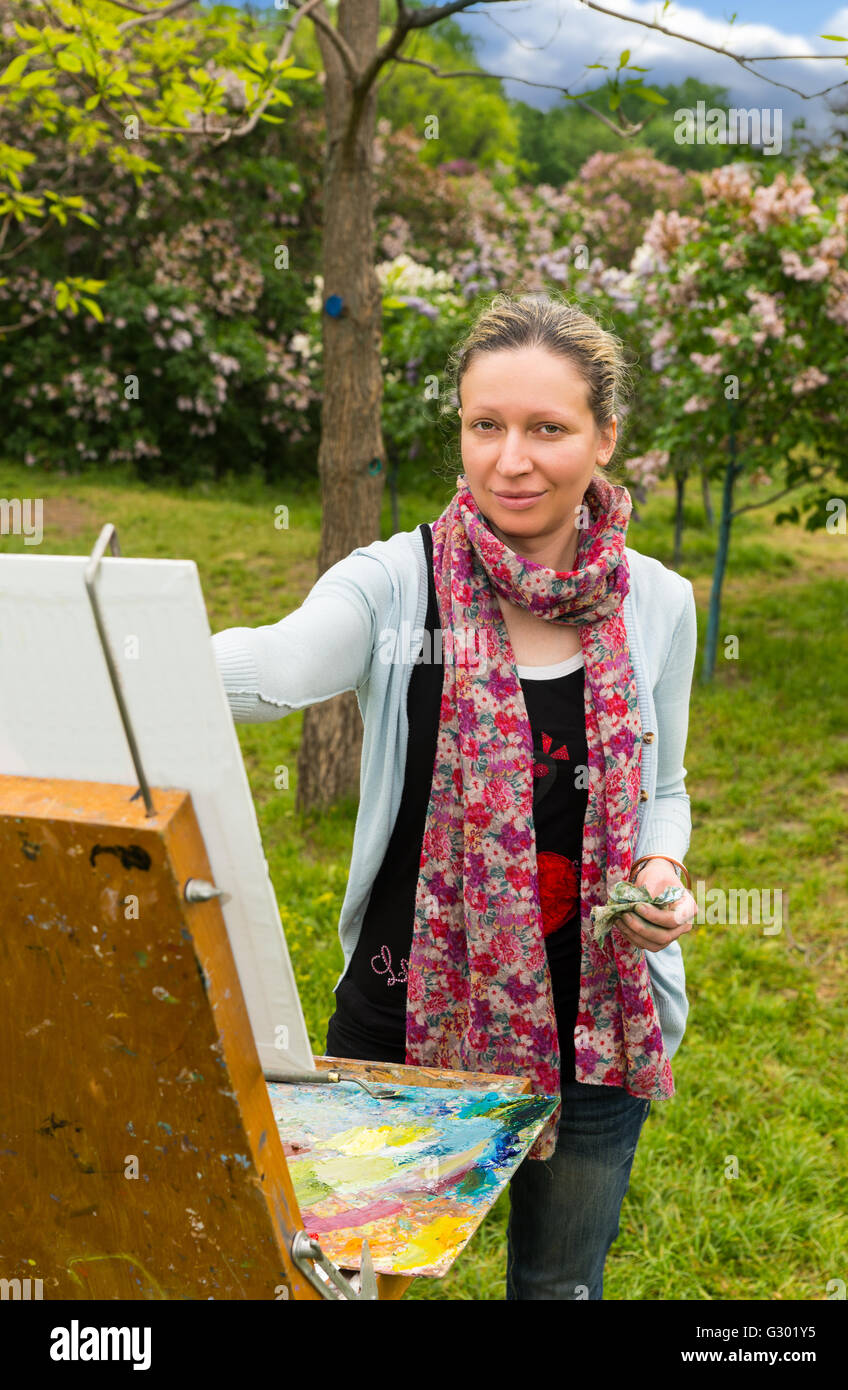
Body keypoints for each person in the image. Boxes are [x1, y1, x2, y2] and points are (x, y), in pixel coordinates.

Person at [211, 292, 698, 1300]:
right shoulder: (398, 582)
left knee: (558, 1287)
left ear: (604, 437)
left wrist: (659, 865)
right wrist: (115, 638)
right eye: (485, 425)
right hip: (402, 1017)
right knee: (344, 1284)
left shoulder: (656, 600)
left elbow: (665, 787)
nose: (508, 459)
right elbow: (270, 669)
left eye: (545, 428)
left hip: (593, 1022)